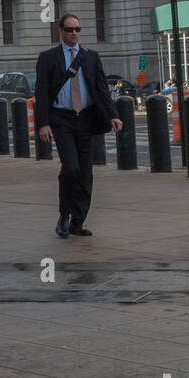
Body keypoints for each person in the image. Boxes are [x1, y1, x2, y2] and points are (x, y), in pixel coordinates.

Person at [33, 14, 122, 238]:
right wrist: (43, 123)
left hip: (86, 118)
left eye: (77, 29)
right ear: (60, 31)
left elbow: (101, 89)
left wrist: (113, 115)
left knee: (85, 172)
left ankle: (78, 222)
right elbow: (41, 93)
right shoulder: (48, 57)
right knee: (70, 167)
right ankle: (64, 215)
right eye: (70, 29)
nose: (74, 33)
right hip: (61, 119)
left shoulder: (90, 57)